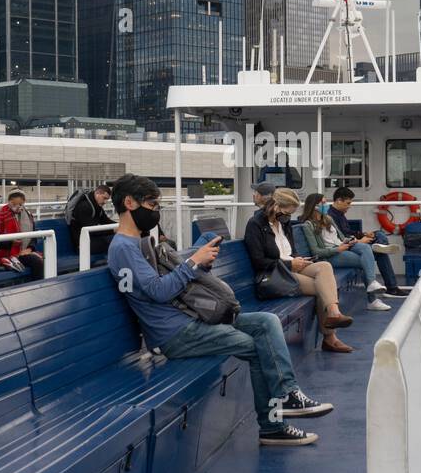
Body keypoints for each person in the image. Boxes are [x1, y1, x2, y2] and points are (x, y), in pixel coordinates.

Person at [106, 174, 332, 447]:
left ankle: (288, 395)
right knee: (255, 345)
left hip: (191, 321)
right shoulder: (122, 248)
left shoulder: (141, 242)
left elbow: (167, 285)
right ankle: (273, 425)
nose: (156, 211)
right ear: (129, 203)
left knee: (267, 322)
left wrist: (199, 265)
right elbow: (158, 291)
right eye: (153, 205)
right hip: (174, 334)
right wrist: (192, 263)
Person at [245, 187, 356, 353]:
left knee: (325, 267)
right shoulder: (256, 224)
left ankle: (334, 312)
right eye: (286, 212)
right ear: (276, 206)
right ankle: (330, 338)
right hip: (275, 274)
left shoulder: (284, 223)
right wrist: (291, 265)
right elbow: (258, 262)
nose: (288, 217)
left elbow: (290, 251)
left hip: (291, 266)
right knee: (322, 288)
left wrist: (299, 259)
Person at [299, 193, 392, 311]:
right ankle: (372, 298)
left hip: (343, 247)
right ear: (315, 206)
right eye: (323, 203)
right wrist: (338, 249)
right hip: (331, 255)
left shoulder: (328, 219)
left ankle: (372, 284)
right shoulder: (308, 225)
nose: (326, 205)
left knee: (365, 248)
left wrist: (350, 241)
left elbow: (341, 237)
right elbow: (316, 251)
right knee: (364, 261)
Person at [327, 187, 408, 295]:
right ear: (338, 201)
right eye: (348, 203)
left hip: (352, 240)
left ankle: (381, 247)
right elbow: (340, 237)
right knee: (380, 253)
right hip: (346, 245)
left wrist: (364, 234)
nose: (349, 206)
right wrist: (360, 241)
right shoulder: (330, 216)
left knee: (378, 234)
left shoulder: (340, 214)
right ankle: (391, 287)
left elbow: (347, 231)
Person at [0, 189, 45, 280]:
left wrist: (29, 249)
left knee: (46, 258)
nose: (17, 207)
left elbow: (33, 238)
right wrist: (12, 241)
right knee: (37, 261)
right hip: (9, 253)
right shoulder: (0, 216)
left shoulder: (29, 215)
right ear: (9, 202)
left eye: (20, 204)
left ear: (24, 202)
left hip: (25, 251)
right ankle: (37, 286)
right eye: (13, 204)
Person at [67, 183, 115, 257]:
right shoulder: (84, 206)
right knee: (115, 240)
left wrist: (120, 226)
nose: (105, 202)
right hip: (81, 245)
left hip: (91, 240)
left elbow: (106, 220)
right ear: (97, 193)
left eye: (107, 199)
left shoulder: (96, 206)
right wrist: (113, 230)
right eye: (104, 198)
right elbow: (92, 230)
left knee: (117, 238)